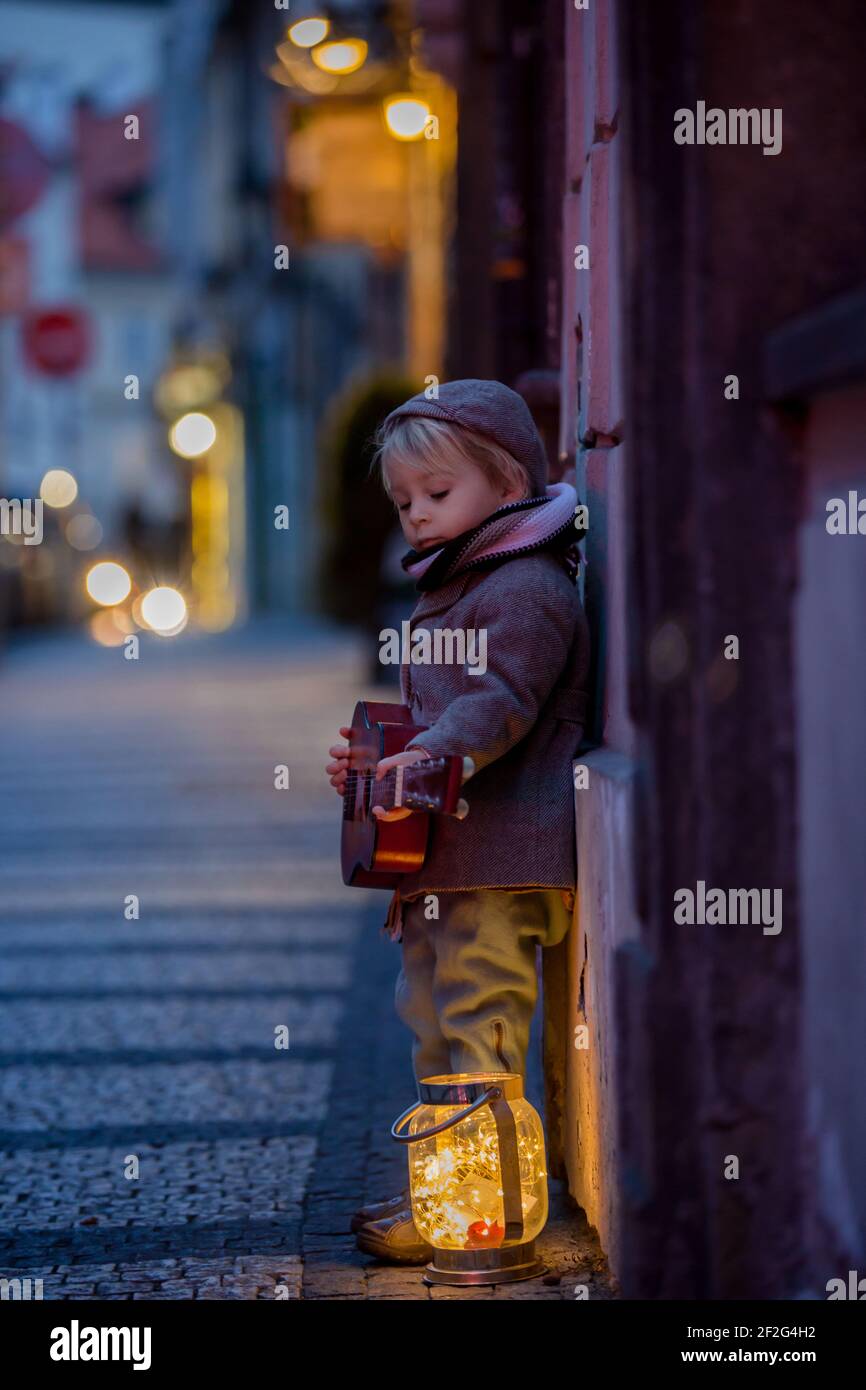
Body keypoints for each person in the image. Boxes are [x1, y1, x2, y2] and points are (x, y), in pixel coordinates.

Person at [325, 379, 590, 1264]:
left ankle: (491, 1219)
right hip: (447, 862)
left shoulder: (526, 586)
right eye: (405, 501)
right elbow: (441, 717)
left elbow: (501, 702)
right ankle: (446, 1199)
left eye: (439, 494)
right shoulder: (461, 583)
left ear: (509, 484)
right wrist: (377, 763)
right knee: (437, 1031)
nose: (418, 516)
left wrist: (432, 758)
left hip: (500, 857)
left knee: (481, 1030)